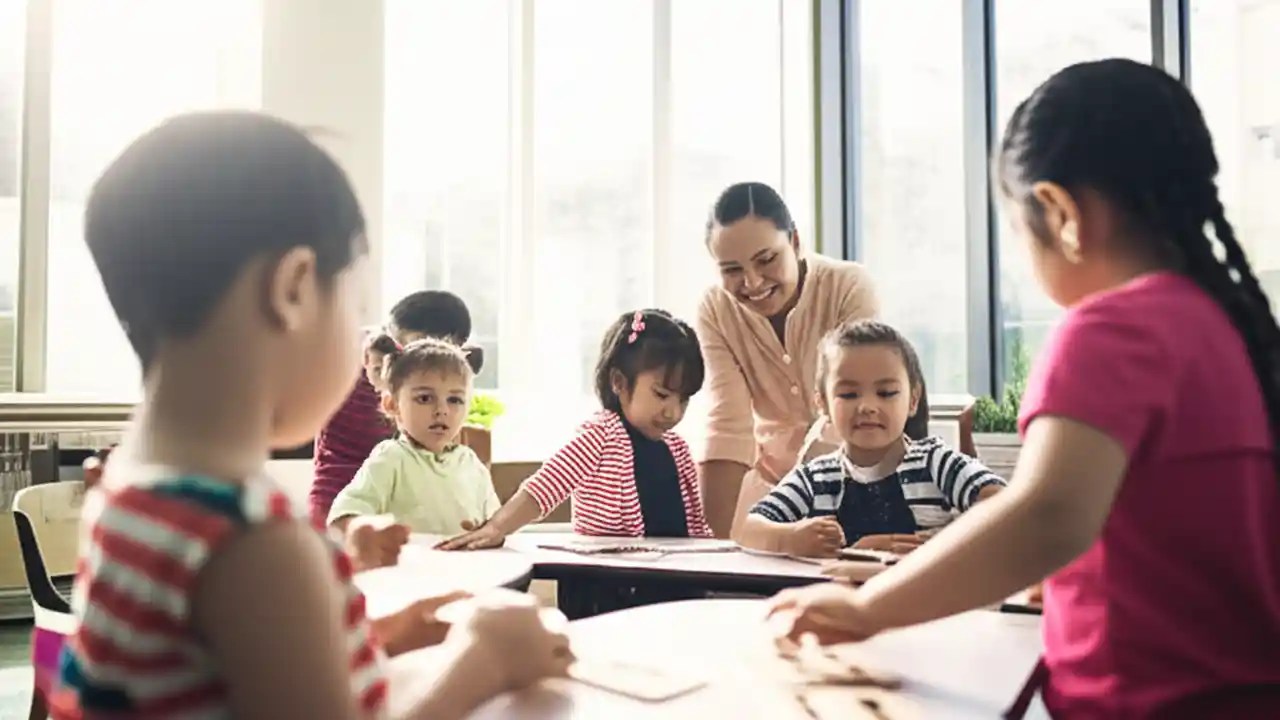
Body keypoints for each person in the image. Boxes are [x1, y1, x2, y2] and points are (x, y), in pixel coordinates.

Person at [768, 59, 1280, 718]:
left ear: (1058, 211)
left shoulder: (1110, 329)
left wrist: (868, 608)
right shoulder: (1236, 332)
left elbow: (1045, 516)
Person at [52, 112, 570, 719]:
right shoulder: (256, 546)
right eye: (354, 306)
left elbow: (228, 667)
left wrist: (381, 634)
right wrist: (486, 658)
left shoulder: (131, 484)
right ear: (293, 288)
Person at [696, 182, 880, 539]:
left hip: (856, 472)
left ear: (795, 242)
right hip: (768, 487)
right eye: (732, 270)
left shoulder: (848, 286)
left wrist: (797, 509)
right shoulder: (715, 309)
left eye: (766, 260)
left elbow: (851, 406)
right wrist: (712, 549)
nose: (752, 282)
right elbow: (727, 425)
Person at [439, 309, 713, 548]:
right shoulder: (602, 435)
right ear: (618, 382)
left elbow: (695, 524)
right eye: (662, 395)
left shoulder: (676, 448)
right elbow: (544, 487)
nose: (673, 412)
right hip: (611, 582)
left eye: (684, 399)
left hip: (672, 579)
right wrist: (496, 528)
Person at [738, 320, 1004, 558]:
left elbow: (1005, 503)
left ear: (913, 400)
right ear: (823, 405)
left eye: (886, 393)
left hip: (927, 605)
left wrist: (941, 545)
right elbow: (749, 528)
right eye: (849, 395)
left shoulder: (936, 463)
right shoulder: (815, 478)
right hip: (838, 604)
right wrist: (791, 539)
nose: (867, 406)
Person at [310, 289, 480, 528]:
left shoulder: (436, 387)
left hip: (398, 507)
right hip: (338, 498)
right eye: (388, 335)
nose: (390, 351)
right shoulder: (348, 359)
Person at [328, 337, 500, 556]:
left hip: (465, 577)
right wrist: (366, 533)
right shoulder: (390, 458)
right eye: (425, 398)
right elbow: (344, 517)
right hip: (407, 580)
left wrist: (489, 534)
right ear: (392, 405)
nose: (442, 410)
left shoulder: (472, 464)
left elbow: (497, 526)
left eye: (455, 400)